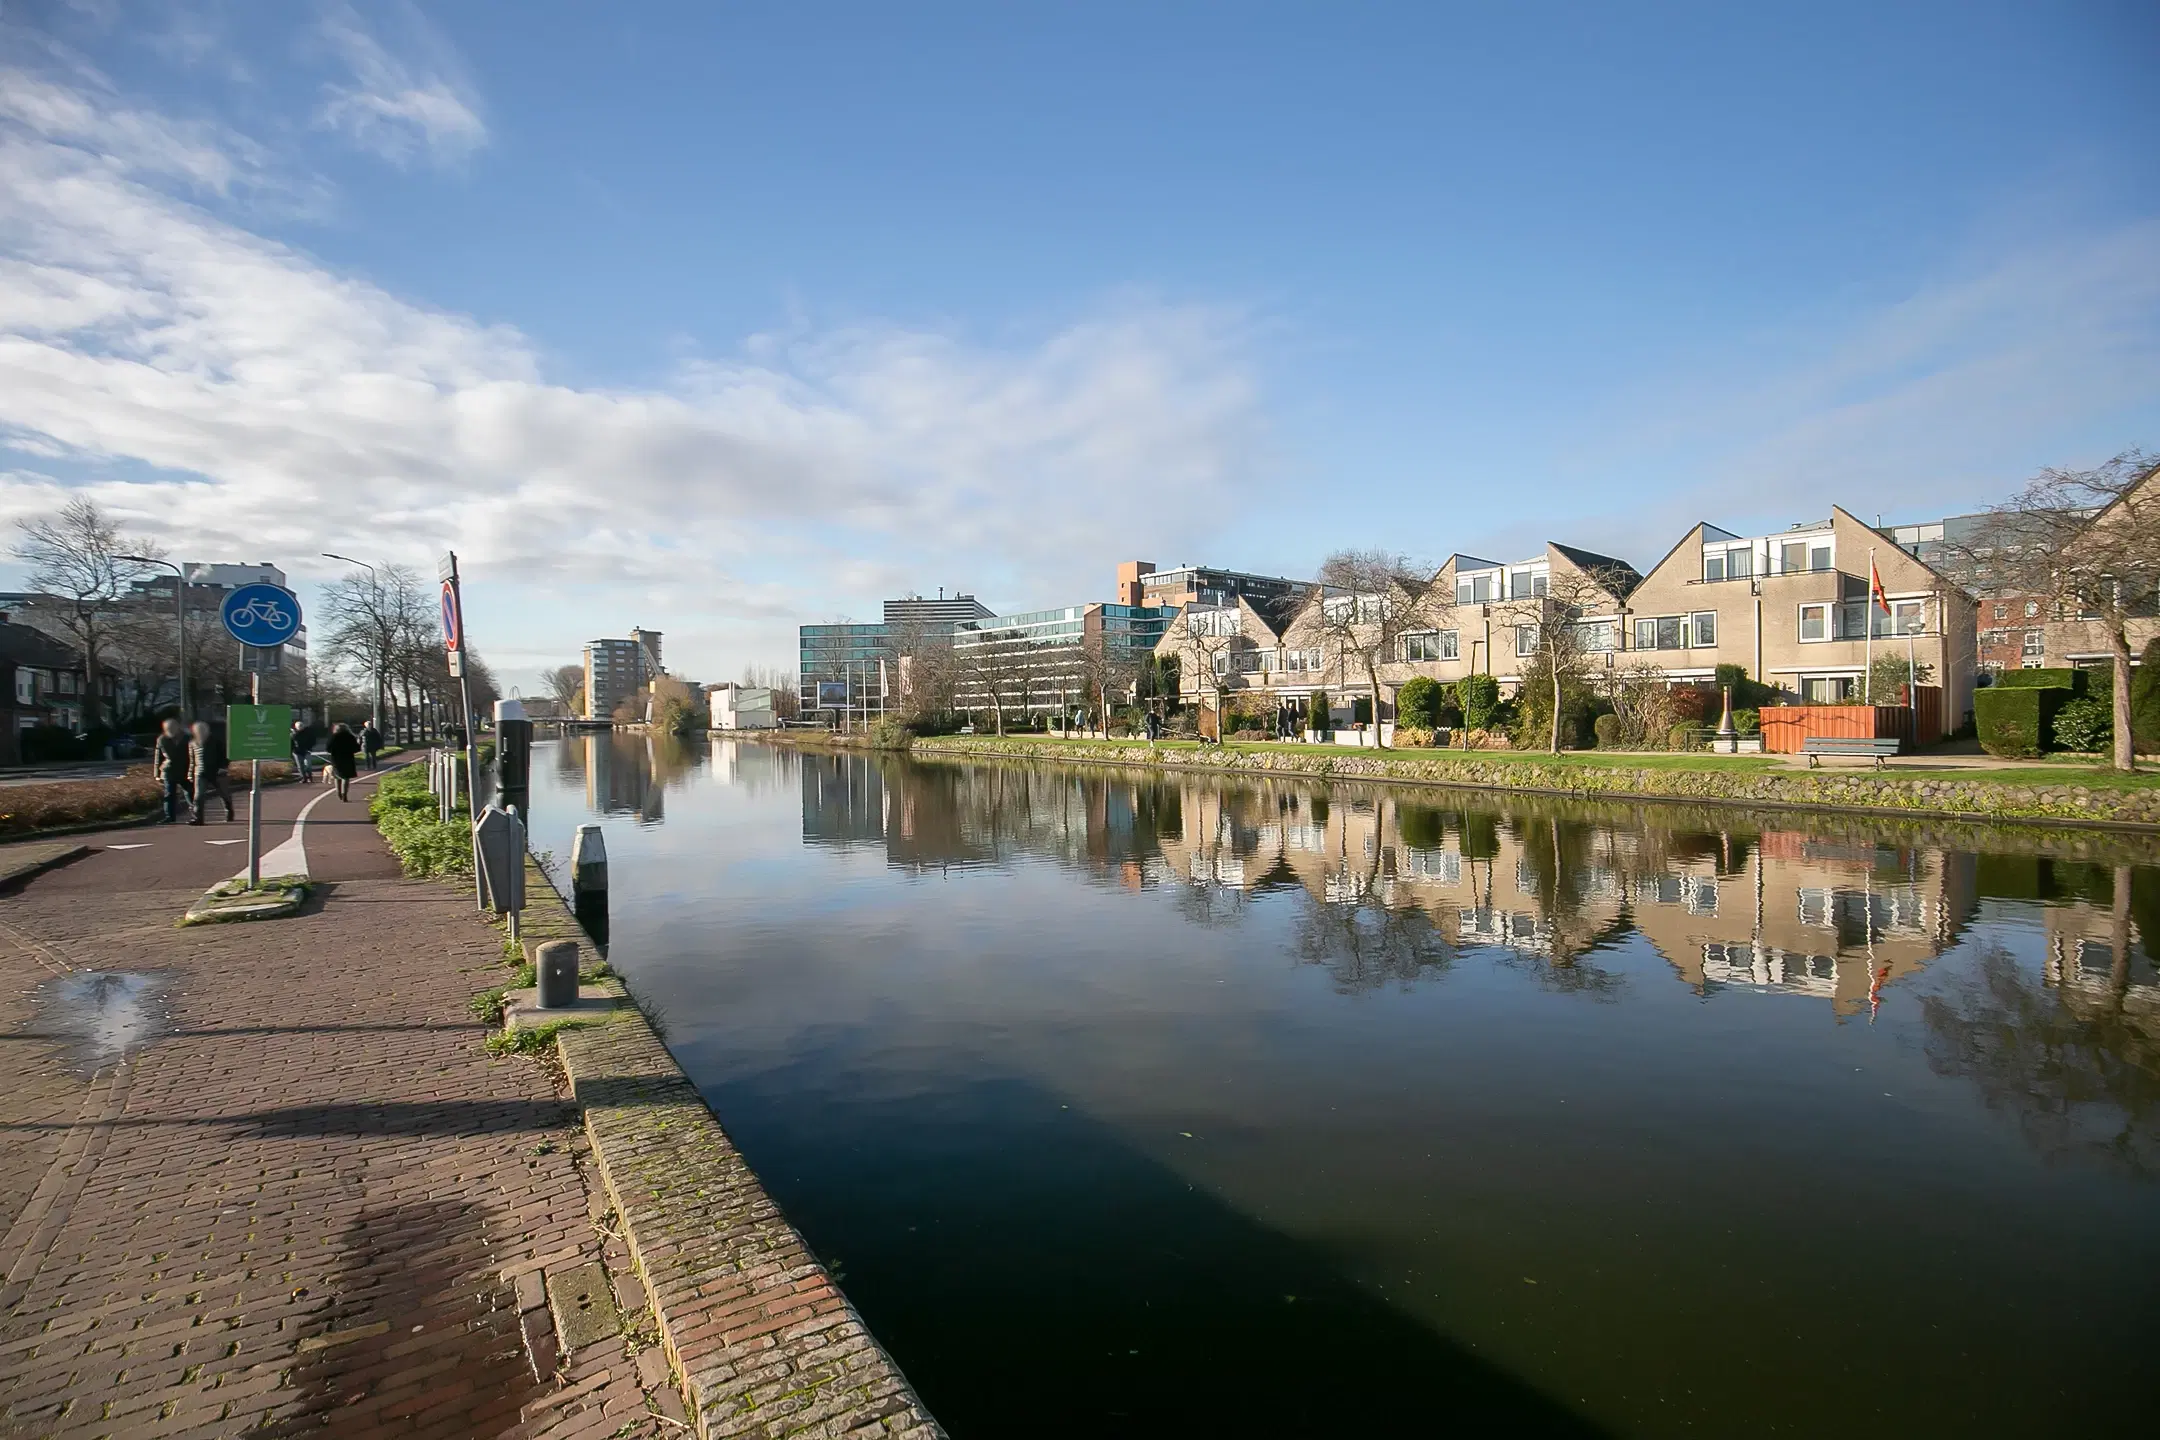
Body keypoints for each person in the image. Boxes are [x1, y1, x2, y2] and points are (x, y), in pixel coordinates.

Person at [187, 719, 234, 824]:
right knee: (198, 796)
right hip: (200, 772)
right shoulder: (192, 743)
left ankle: (229, 811)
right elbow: (192, 760)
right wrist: (190, 774)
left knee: (224, 794)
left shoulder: (216, 741)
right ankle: (198, 818)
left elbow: (224, 755)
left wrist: (223, 767)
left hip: (217, 772)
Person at [153, 717, 193, 824]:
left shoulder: (187, 738)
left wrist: (193, 769)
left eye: (173, 727)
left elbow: (194, 754)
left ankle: (195, 814)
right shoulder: (162, 739)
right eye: (168, 728)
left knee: (190, 792)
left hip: (185, 768)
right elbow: (158, 757)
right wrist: (157, 774)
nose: (171, 730)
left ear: (178, 727)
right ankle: (169, 816)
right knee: (169, 794)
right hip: (168, 770)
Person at [325, 722, 362, 802]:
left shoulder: (333, 737)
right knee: (346, 777)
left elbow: (328, 749)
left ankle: (338, 793)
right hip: (347, 758)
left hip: (336, 759)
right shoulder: (350, 737)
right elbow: (356, 749)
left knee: (337, 776)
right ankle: (344, 794)